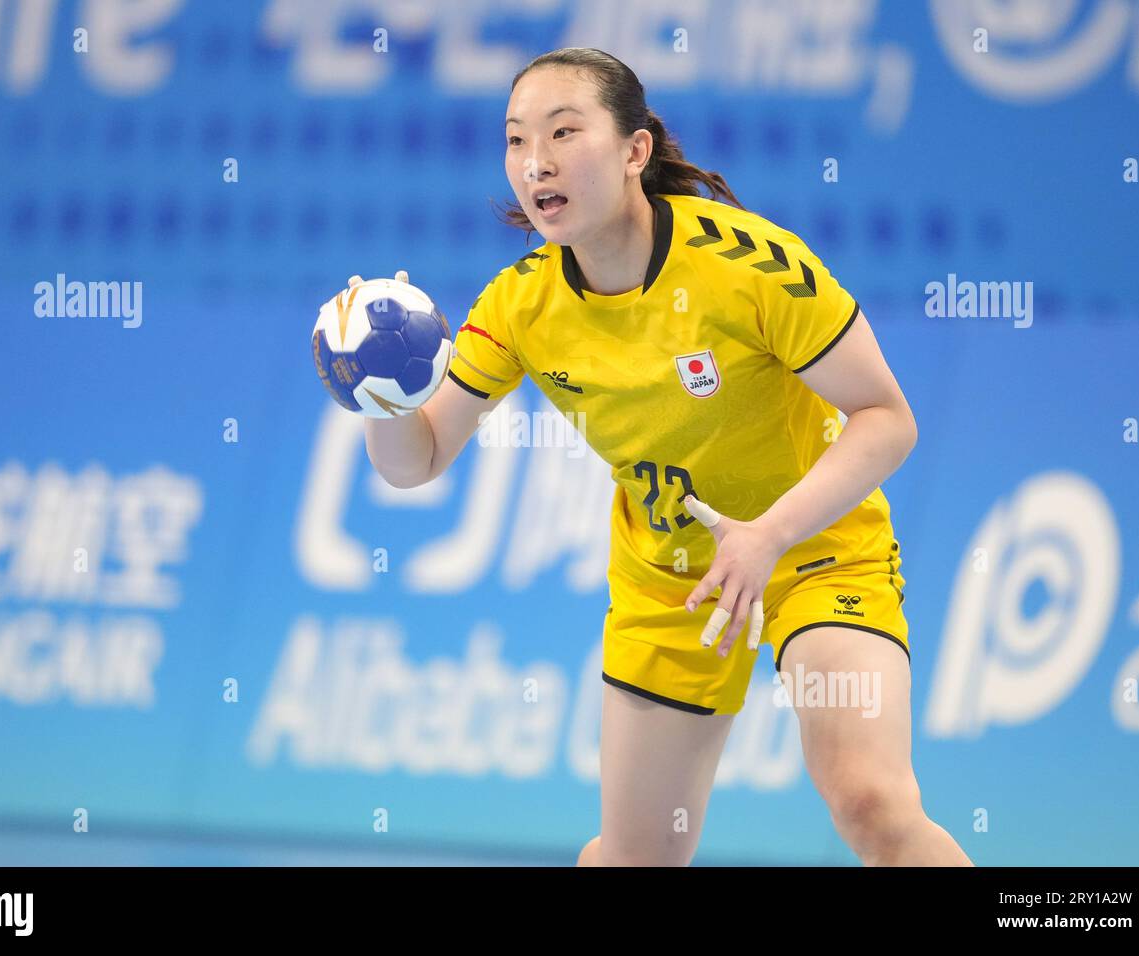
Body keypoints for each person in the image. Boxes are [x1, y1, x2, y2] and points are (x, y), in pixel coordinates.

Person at [359, 47, 972, 866]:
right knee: (634, 857)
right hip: (670, 584)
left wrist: (766, 536)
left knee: (872, 803)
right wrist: (377, 397)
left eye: (563, 132)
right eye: (515, 141)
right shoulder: (520, 304)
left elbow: (888, 418)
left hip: (815, 553)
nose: (535, 162)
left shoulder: (750, 266)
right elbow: (417, 459)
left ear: (634, 150)